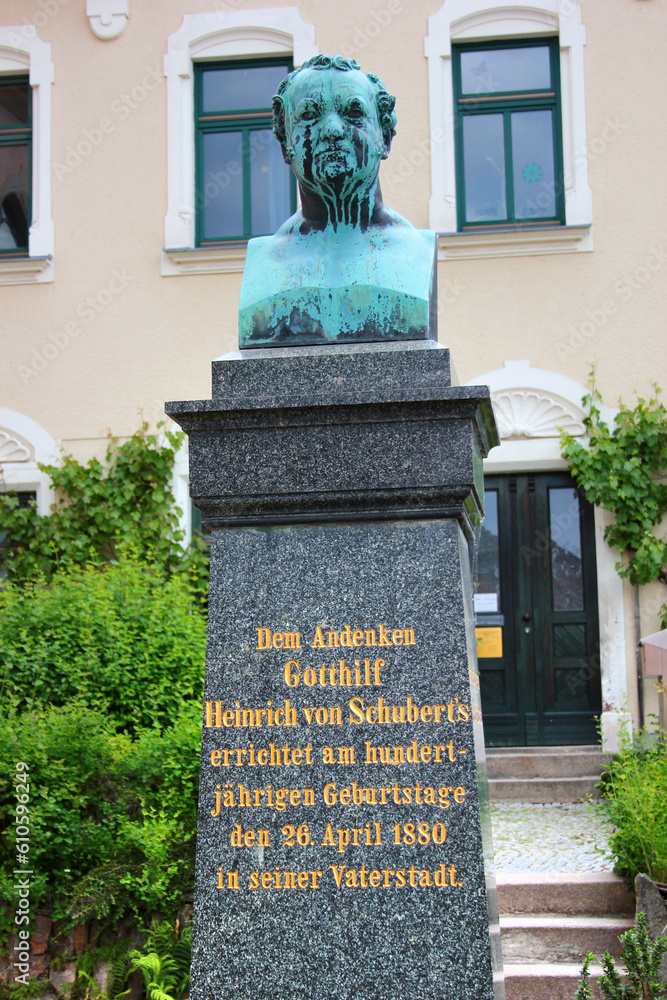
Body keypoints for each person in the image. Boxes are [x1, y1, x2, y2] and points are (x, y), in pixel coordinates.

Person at [238, 55, 436, 348]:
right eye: (309, 115)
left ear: (385, 138)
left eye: (353, 112)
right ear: (285, 144)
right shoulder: (266, 264)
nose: (332, 129)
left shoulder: (417, 254)